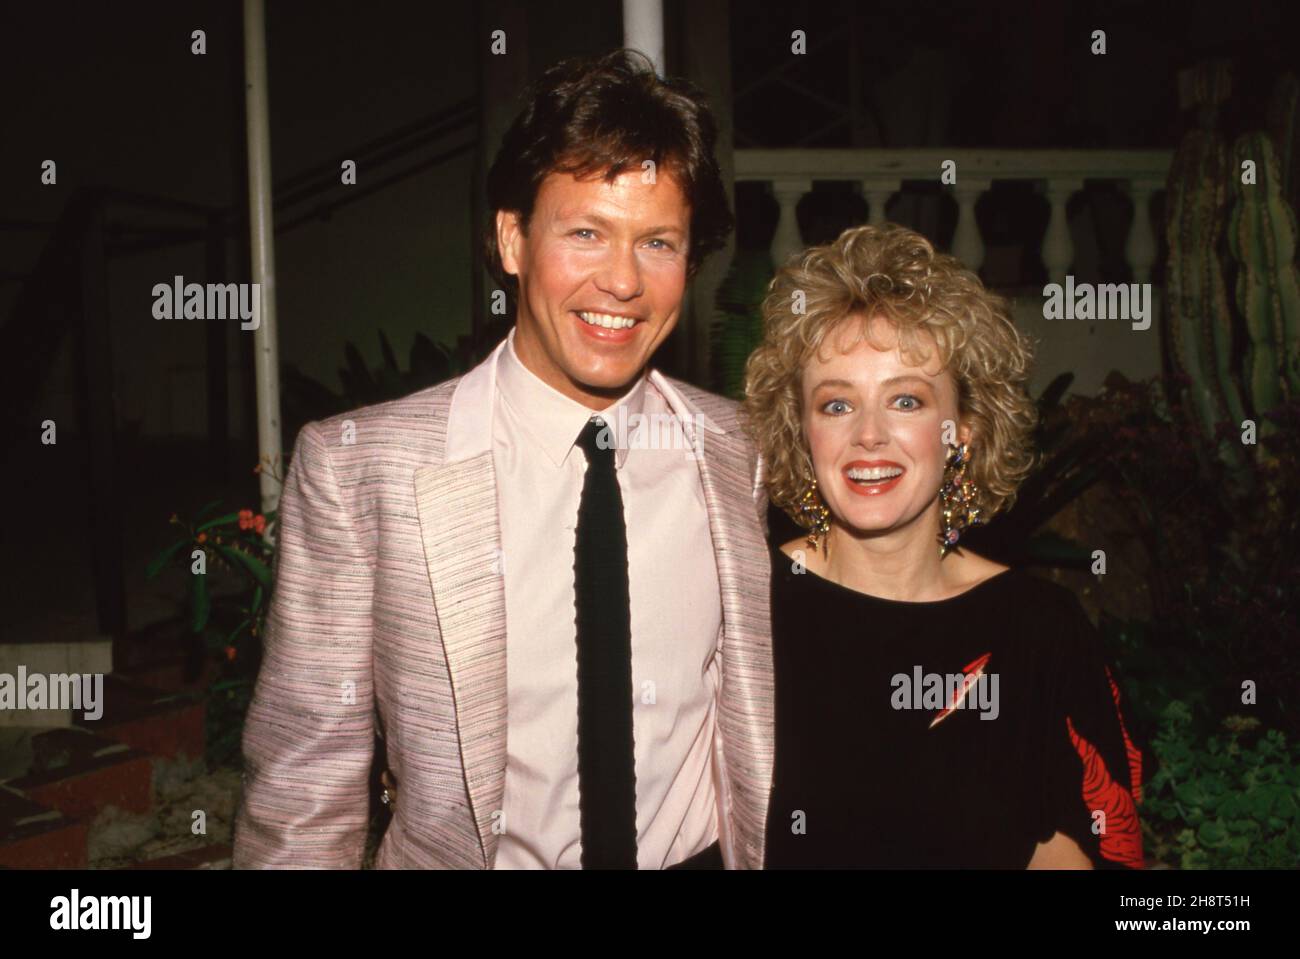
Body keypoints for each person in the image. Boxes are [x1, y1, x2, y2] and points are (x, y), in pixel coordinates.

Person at [232, 49, 776, 870]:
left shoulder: (741, 450)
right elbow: (305, 787)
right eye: (586, 232)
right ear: (512, 238)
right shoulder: (361, 470)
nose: (622, 281)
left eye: (658, 242)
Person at [741, 224, 1145, 869]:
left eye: (906, 400)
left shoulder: (1039, 634)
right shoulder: (738, 610)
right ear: (801, 431)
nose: (869, 436)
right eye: (836, 405)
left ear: (966, 430)